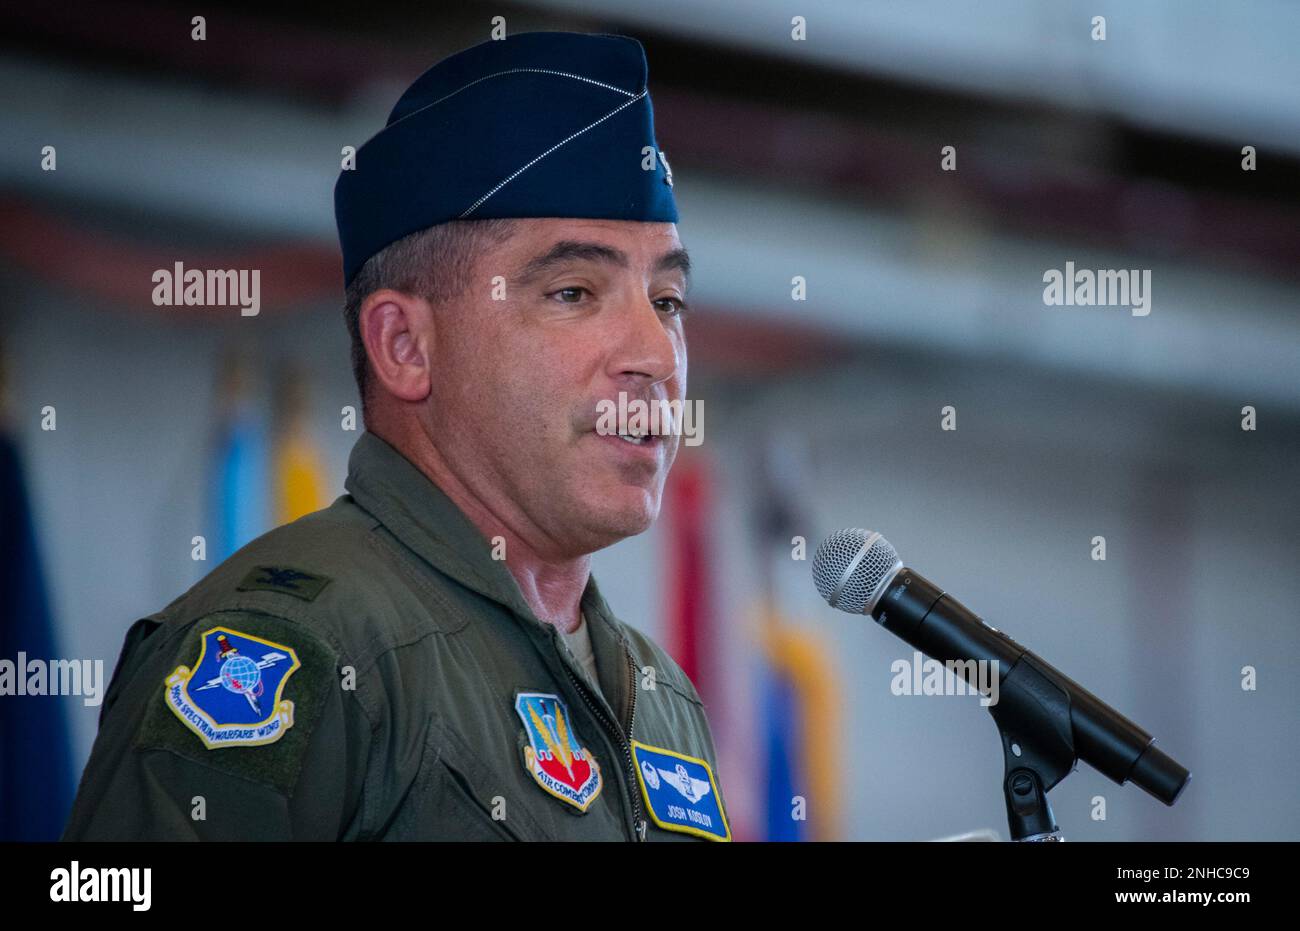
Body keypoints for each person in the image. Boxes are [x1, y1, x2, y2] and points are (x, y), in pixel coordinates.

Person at [61, 31, 729, 842]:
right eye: (574, 292)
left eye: (667, 301)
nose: (658, 355)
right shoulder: (292, 653)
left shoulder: (662, 700)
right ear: (406, 347)